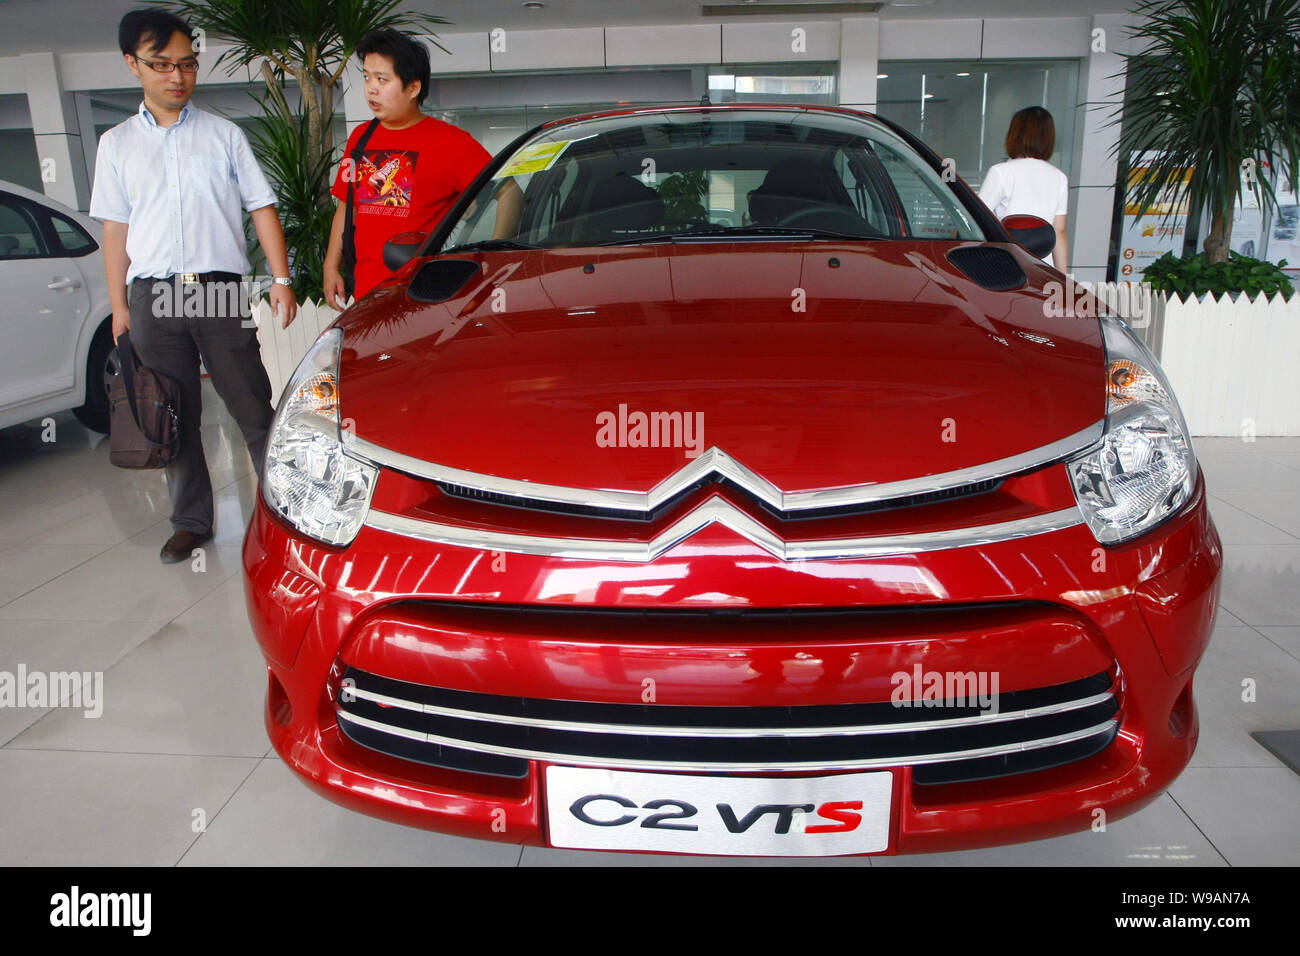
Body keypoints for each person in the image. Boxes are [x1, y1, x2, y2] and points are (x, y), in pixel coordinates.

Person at [89, 8, 298, 563]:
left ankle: (287, 517)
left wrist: (280, 278)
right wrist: (118, 305)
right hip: (153, 294)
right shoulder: (116, 145)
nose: (176, 76)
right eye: (161, 64)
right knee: (170, 412)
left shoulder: (223, 135)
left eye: (186, 64)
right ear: (133, 64)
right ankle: (191, 522)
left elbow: (261, 205)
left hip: (217, 289)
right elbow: (116, 228)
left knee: (253, 407)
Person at [322, 29, 522, 306]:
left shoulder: (451, 142)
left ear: (413, 88)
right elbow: (347, 206)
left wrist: (492, 262)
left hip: (425, 296)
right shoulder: (361, 138)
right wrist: (331, 267)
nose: (371, 88)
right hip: (368, 294)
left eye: (382, 79)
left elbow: (510, 192)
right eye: (367, 77)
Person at [979, 106, 1069, 272]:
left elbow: (977, 217)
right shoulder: (1058, 177)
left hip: (1006, 265)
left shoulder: (1001, 172)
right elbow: (1059, 230)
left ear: (1015, 135)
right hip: (1043, 268)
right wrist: (1064, 278)